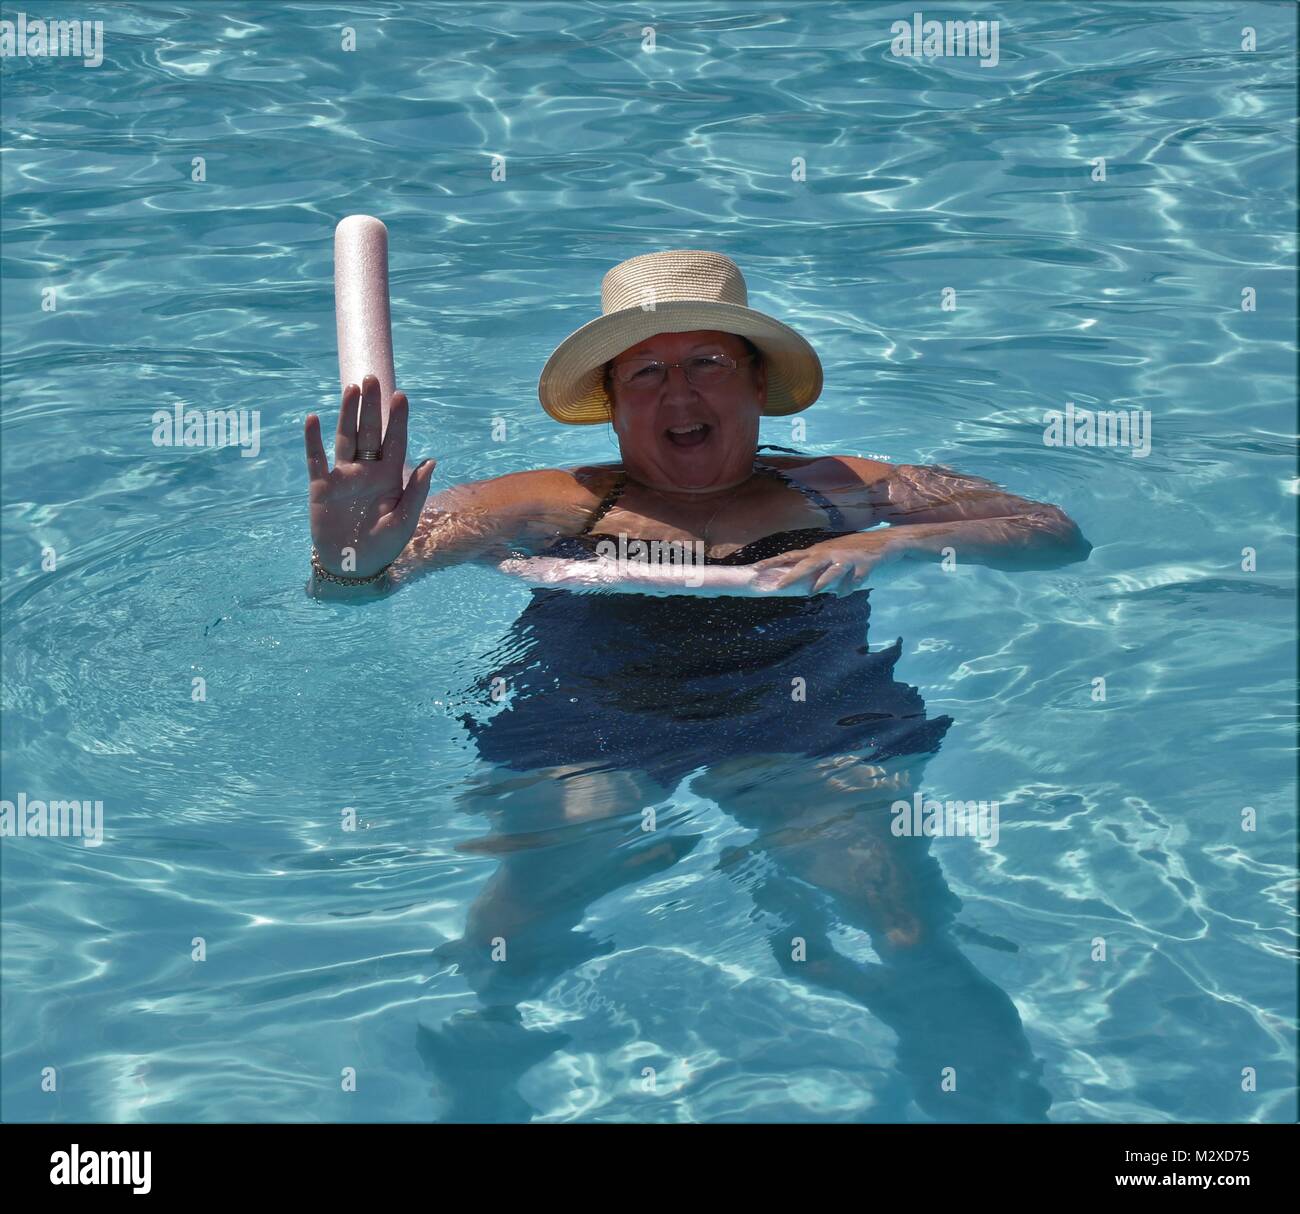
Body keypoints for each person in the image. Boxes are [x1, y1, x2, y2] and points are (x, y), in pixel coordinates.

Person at [303, 250, 1090, 1121]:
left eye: (706, 363)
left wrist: (893, 542)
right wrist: (351, 553)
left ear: (756, 383)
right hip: (593, 719)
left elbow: (1052, 533)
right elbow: (361, 586)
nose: (678, 391)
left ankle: (980, 1084)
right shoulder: (553, 501)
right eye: (646, 372)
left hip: (809, 714)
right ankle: (483, 1058)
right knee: (519, 930)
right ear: (612, 401)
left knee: (902, 918)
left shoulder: (847, 490)